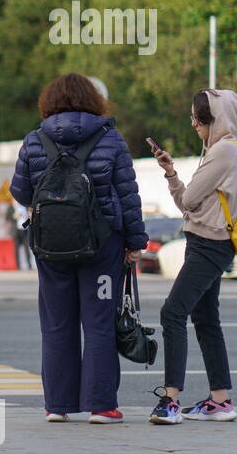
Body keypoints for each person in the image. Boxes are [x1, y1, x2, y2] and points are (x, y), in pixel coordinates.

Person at [10, 73, 147, 425]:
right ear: (93, 100)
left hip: (50, 247)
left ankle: (58, 405)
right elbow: (128, 198)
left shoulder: (35, 140)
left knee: (57, 325)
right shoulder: (111, 139)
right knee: (99, 323)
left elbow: (21, 192)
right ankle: (101, 406)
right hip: (101, 247)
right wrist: (135, 242)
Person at [147, 89, 237, 424]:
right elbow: (189, 204)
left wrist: (179, 184)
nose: (193, 124)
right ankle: (221, 400)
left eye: (197, 118)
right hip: (207, 242)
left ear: (214, 119)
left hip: (209, 245)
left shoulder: (223, 152)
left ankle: (171, 400)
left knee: (172, 312)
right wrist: (171, 173)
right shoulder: (221, 151)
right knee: (205, 320)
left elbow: (188, 202)